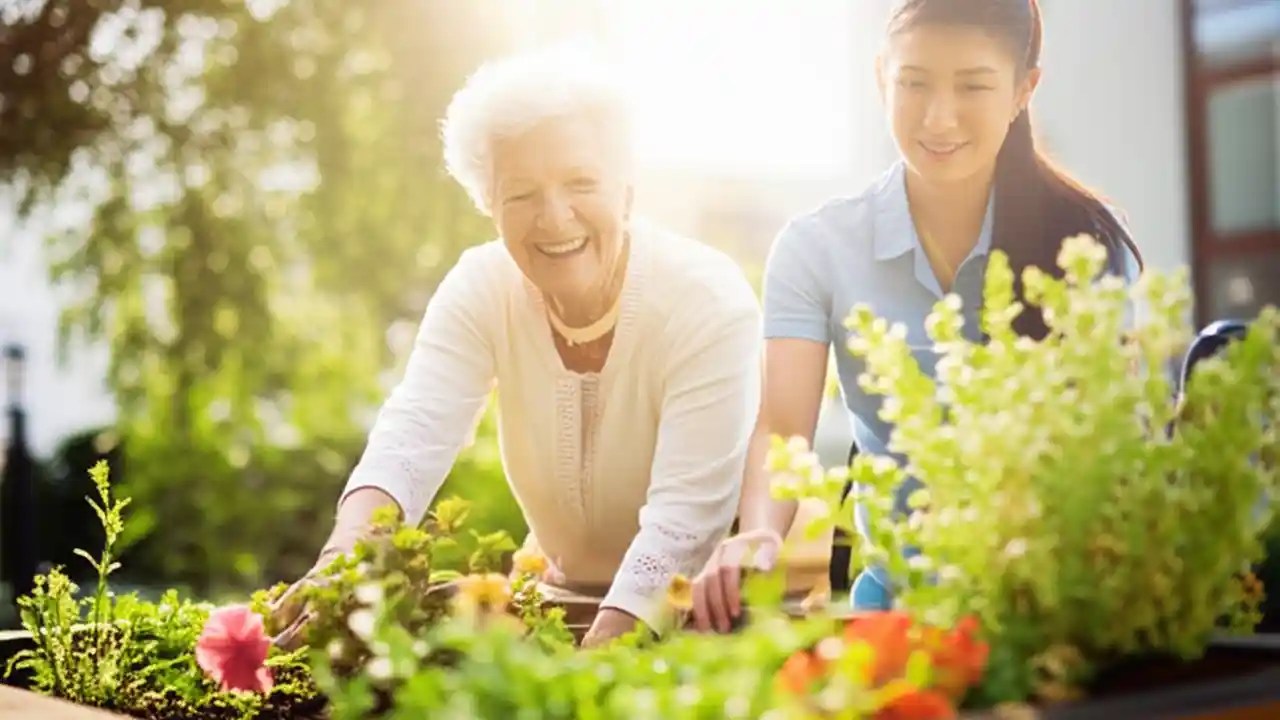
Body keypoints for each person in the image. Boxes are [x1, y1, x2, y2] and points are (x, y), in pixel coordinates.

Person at [269, 48, 762, 648]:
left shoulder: (704, 298)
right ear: (489, 205)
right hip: (555, 606)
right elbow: (412, 435)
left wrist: (590, 676)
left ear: (627, 192)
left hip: (706, 625)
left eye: (582, 182)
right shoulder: (481, 287)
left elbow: (683, 522)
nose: (554, 218)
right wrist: (344, 561)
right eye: (522, 193)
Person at [689, 0, 1143, 631]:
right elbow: (783, 431)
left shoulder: (1087, 240)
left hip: (1055, 613)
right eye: (914, 82)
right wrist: (760, 533)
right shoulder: (816, 247)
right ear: (882, 77)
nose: (939, 117)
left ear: (1022, 89)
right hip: (894, 613)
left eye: (973, 86)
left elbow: (1115, 441)